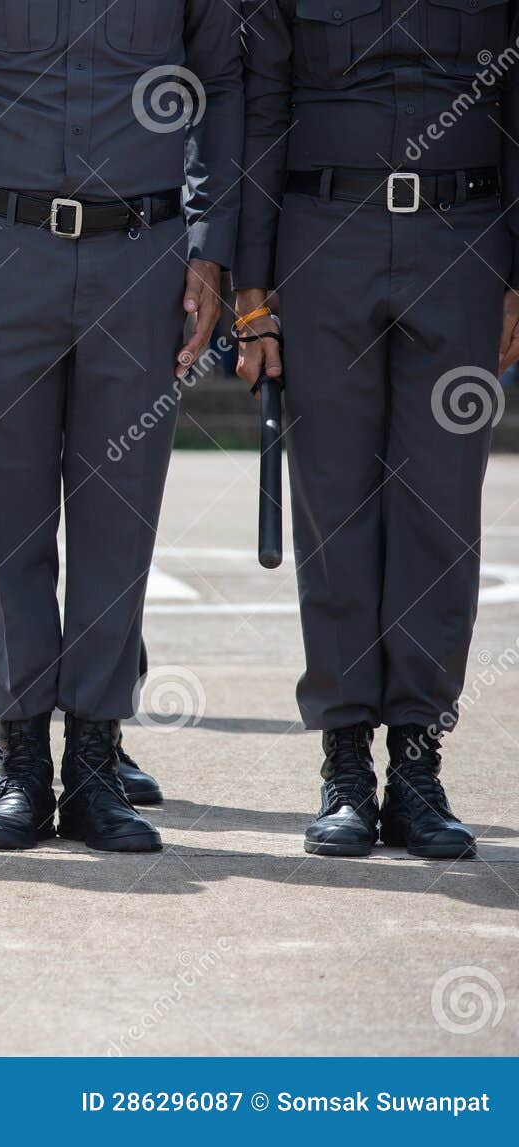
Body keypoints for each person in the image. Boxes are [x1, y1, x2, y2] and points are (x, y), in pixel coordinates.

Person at [0, 0, 240, 852]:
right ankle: (20, 765)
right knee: (9, 521)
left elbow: (221, 89)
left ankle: (94, 766)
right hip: (0, 248)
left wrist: (209, 247)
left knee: (116, 522)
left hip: (142, 258)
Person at [235, 0, 519, 859]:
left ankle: (419, 765)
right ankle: (347, 763)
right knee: (334, 505)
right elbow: (262, 104)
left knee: (439, 510)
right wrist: (251, 285)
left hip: (463, 243)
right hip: (325, 238)